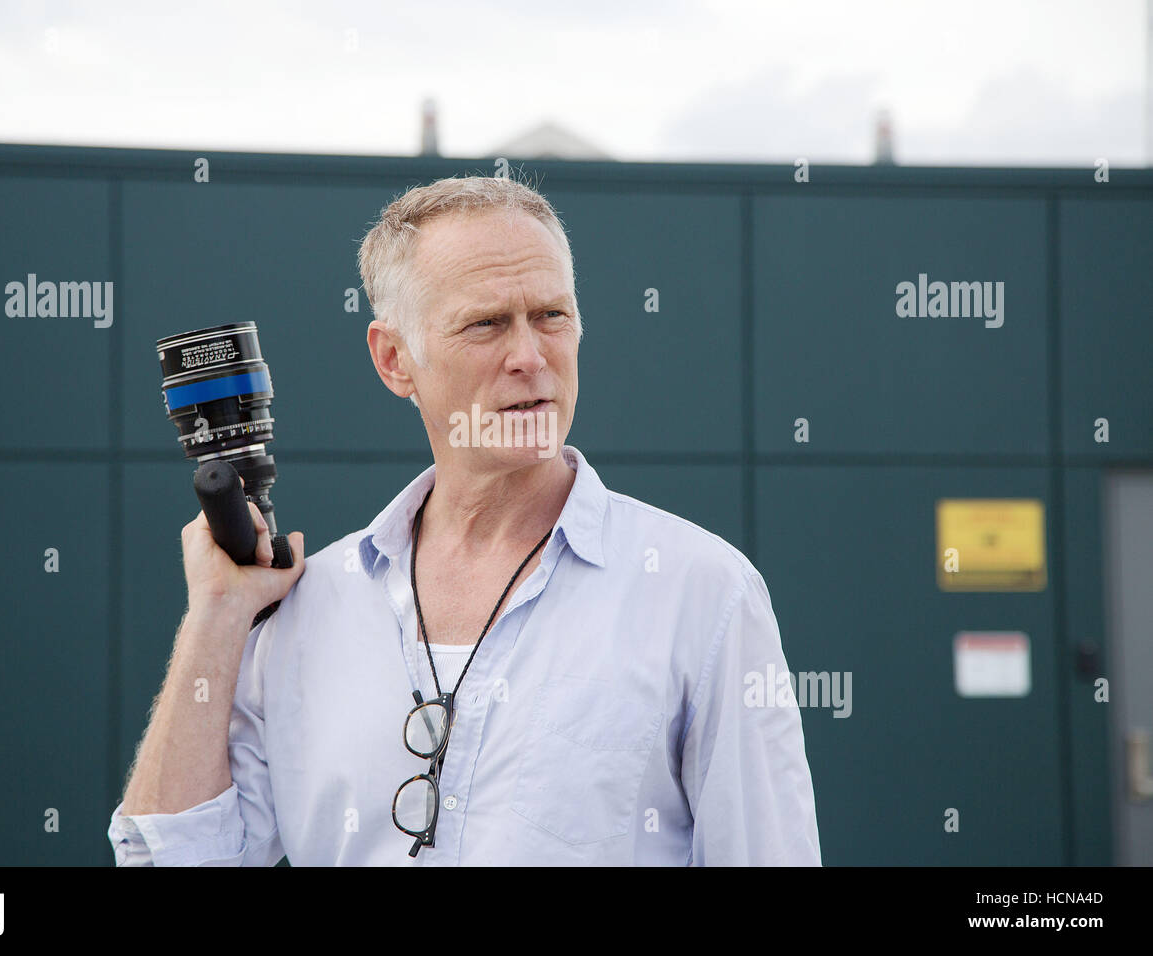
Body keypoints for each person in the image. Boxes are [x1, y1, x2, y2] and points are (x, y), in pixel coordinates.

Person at [108, 175, 821, 865]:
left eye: (552, 316)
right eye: (485, 323)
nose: (529, 357)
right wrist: (215, 619)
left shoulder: (700, 593)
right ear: (395, 360)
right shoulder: (309, 610)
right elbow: (169, 863)